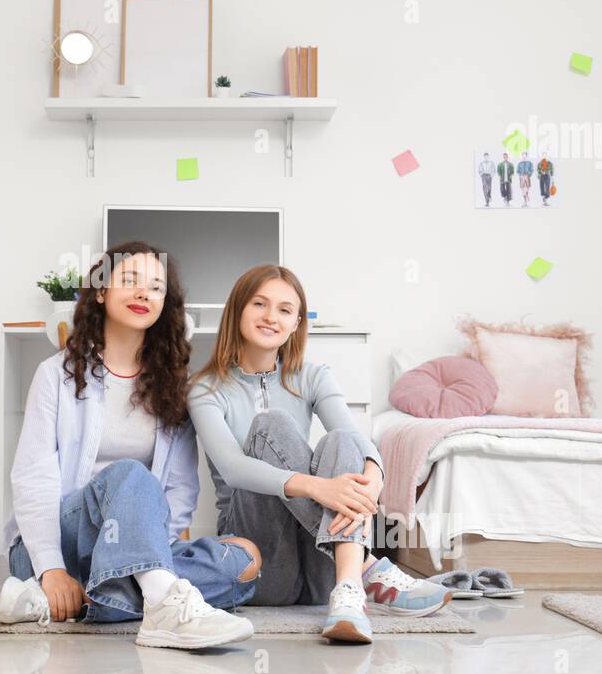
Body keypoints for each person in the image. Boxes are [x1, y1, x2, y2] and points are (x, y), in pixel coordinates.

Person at [0, 241, 259, 650]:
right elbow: (34, 478)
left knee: (245, 559)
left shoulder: (173, 386)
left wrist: (149, 547)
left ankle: (91, 598)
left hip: (125, 549)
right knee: (131, 475)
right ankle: (160, 602)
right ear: (100, 291)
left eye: (155, 287)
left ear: (164, 305)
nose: (143, 293)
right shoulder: (54, 376)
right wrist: (49, 567)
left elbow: (181, 489)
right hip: (60, 543)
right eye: (130, 280)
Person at [188, 264, 450, 643]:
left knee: (341, 441)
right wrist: (316, 488)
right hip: (261, 565)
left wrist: (374, 478)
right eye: (259, 304)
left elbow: (356, 441)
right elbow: (232, 469)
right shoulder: (205, 387)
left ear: (296, 323)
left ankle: (349, 590)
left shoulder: (313, 376)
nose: (270, 317)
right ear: (238, 311)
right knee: (271, 425)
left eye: (283, 309)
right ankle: (368, 566)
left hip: (321, 565)